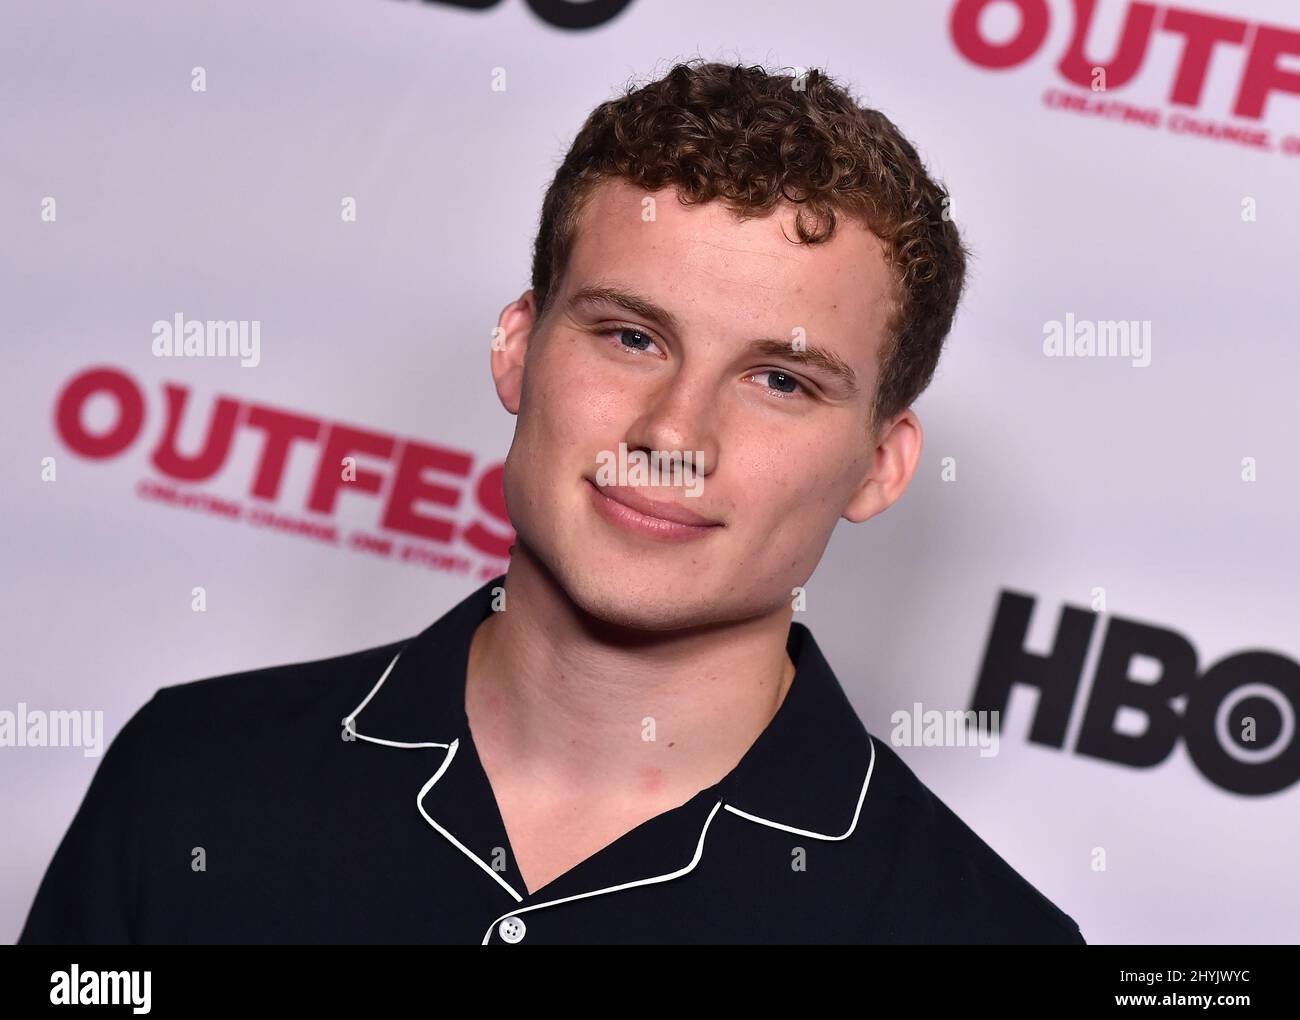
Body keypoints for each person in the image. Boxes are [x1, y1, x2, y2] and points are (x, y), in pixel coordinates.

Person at [20, 60, 1085, 944]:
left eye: (781, 380)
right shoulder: (193, 777)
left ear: (880, 466)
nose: (673, 434)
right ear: (519, 349)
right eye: (631, 336)